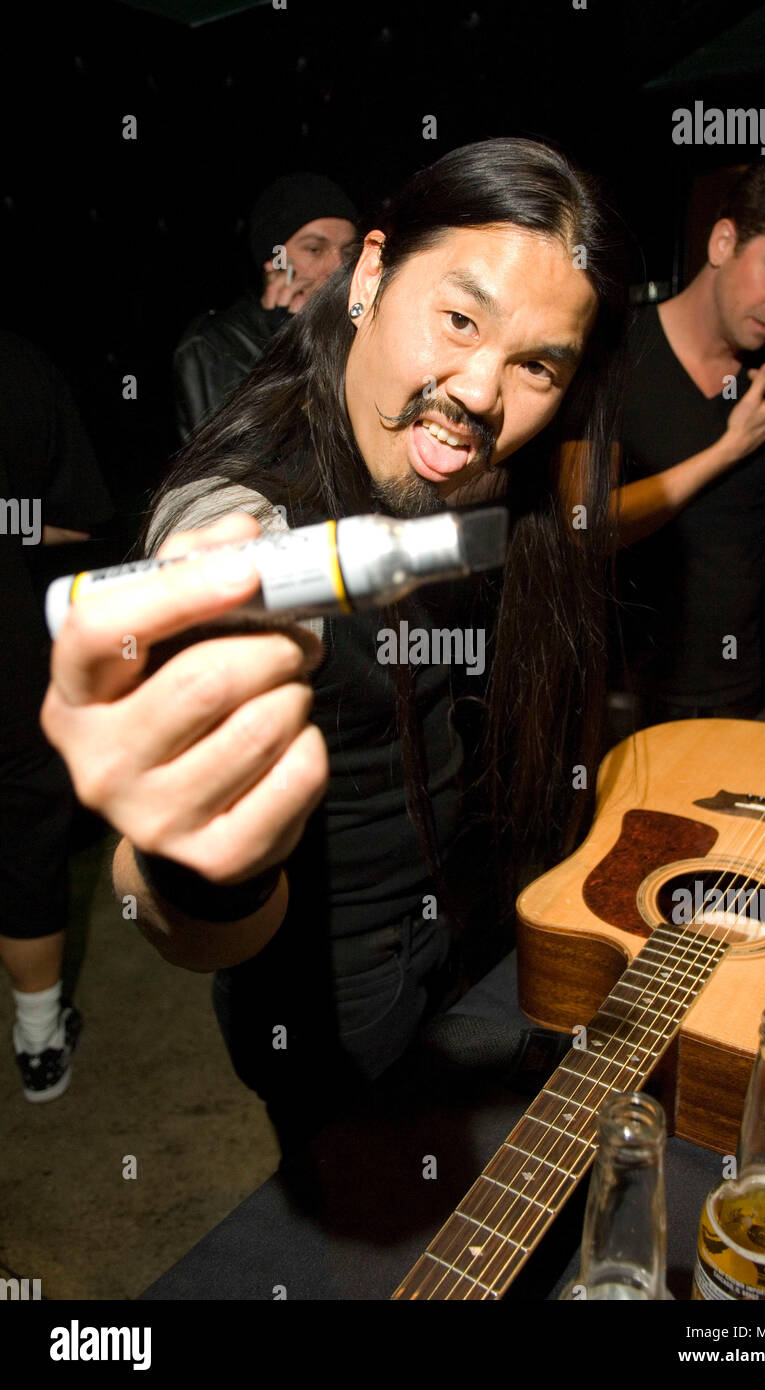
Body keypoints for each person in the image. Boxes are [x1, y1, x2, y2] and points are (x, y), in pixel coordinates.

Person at [41, 139, 625, 1161]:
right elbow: (174, 915)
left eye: (536, 364)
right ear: (367, 275)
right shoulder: (247, 500)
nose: (482, 392)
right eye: (457, 317)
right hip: (334, 999)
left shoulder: (472, 471)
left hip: (472, 936)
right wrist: (194, 860)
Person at [612, 139, 765, 726]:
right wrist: (731, 447)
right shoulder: (616, 361)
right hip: (615, 694)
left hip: (730, 697)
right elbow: (586, 527)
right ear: (724, 241)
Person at [0, 331, 113, 1100]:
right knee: (23, 835)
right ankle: (38, 1038)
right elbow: (76, 517)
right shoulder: (17, 366)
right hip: (8, 669)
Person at [173, 173, 358, 442]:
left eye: (349, 252)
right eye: (315, 250)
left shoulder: (356, 330)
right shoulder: (215, 345)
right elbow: (239, 461)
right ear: (275, 259)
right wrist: (285, 340)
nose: (338, 267)